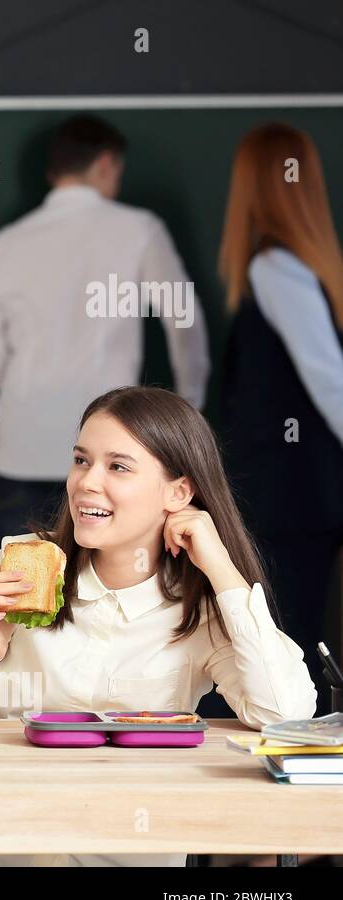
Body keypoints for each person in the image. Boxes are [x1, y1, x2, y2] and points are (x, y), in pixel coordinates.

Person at [0, 386, 317, 866]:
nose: (86, 482)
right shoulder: (19, 566)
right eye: (81, 460)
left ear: (178, 492)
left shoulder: (201, 609)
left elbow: (284, 717)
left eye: (117, 466)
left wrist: (221, 567)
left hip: (126, 853)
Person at [0, 115, 210, 541]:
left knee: (20, 597)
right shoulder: (140, 230)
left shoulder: (5, 243)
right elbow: (185, 326)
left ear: (55, 171)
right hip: (118, 460)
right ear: (106, 164)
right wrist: (185, 415)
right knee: (112, 597)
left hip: (19, 447)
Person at [219, 122, 343, 718]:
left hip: (288, 498)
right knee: (289, 636)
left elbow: (329, 380)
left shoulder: (275, 268)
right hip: (299, 497)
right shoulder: (289, 266)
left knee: (284, 642)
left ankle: (298, 772)